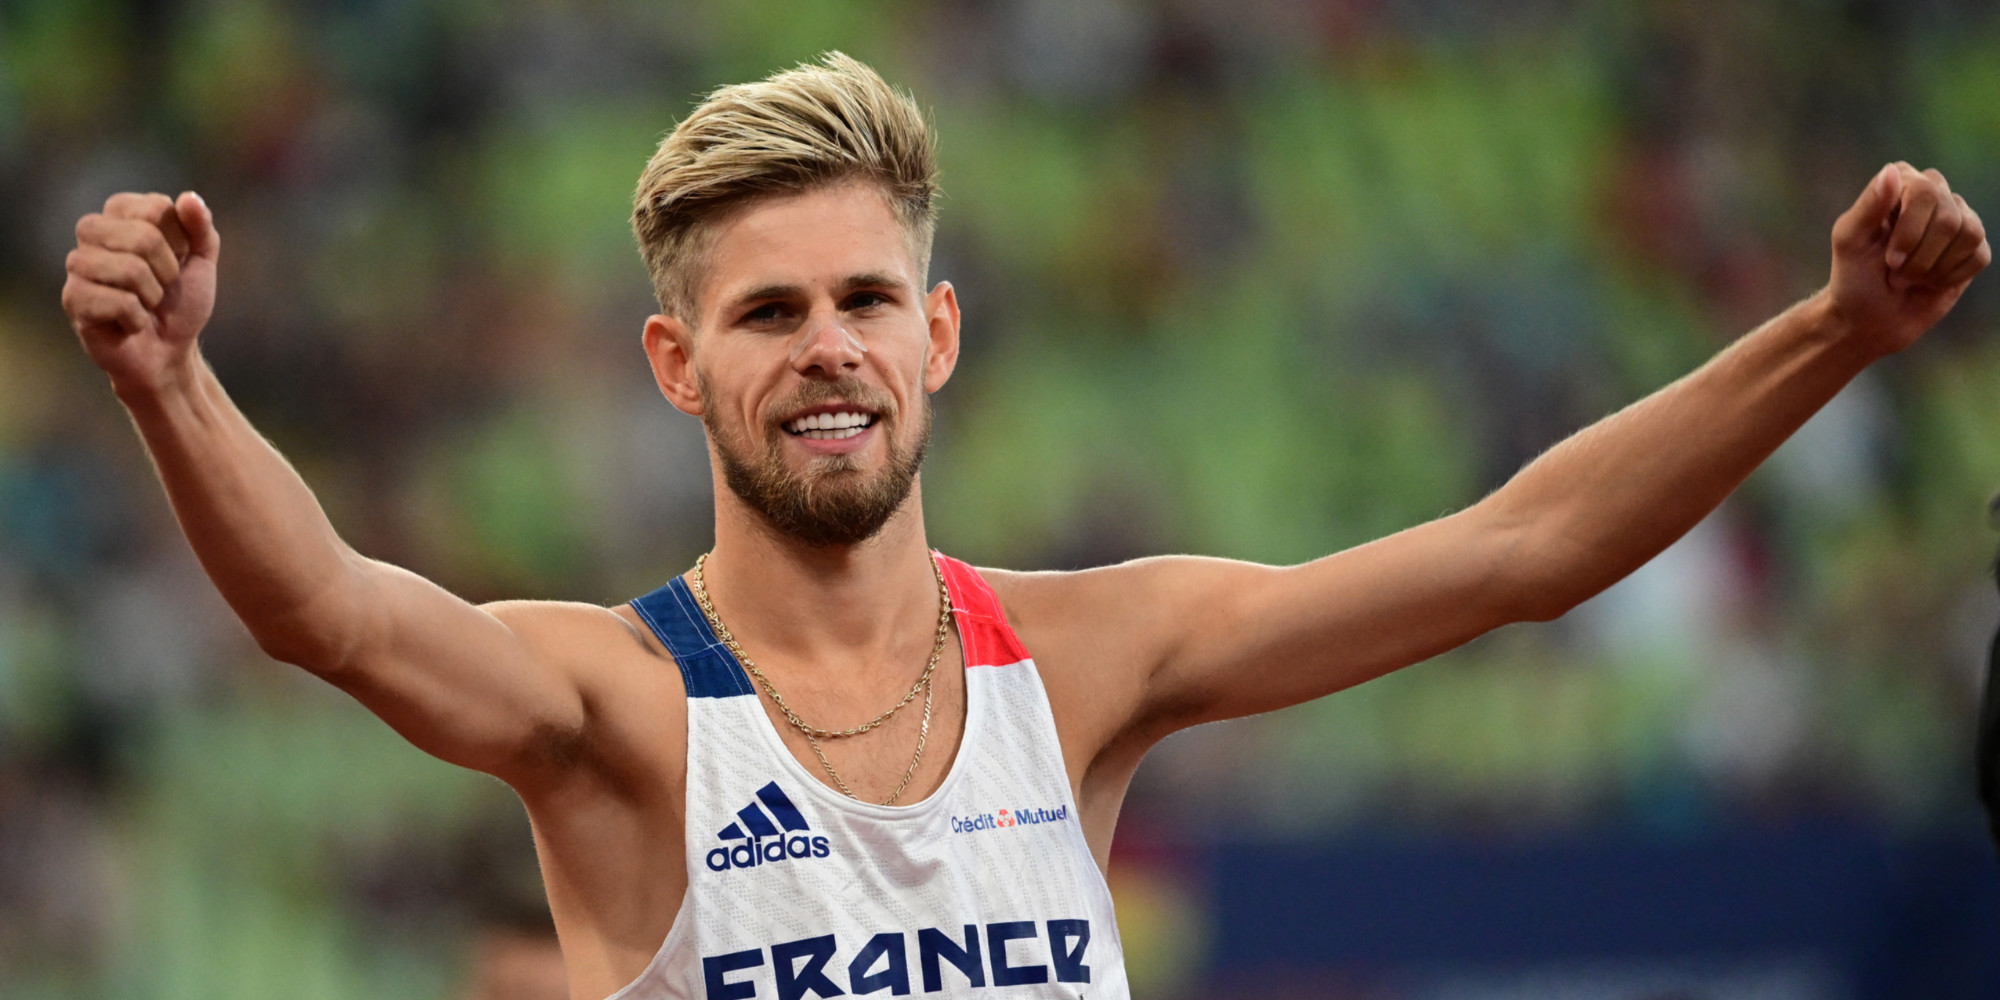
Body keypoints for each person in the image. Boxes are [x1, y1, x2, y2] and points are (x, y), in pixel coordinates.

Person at [57, 52, 1989, 1000]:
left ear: (941, 332)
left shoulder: (1086, 659)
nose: (828, 351)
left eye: (866, 301)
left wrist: (1837, 331)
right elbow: (326, 609)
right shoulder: (618, 704)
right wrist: (170, 380)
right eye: (767, 313)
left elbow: (1518, 553)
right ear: (674, 362)